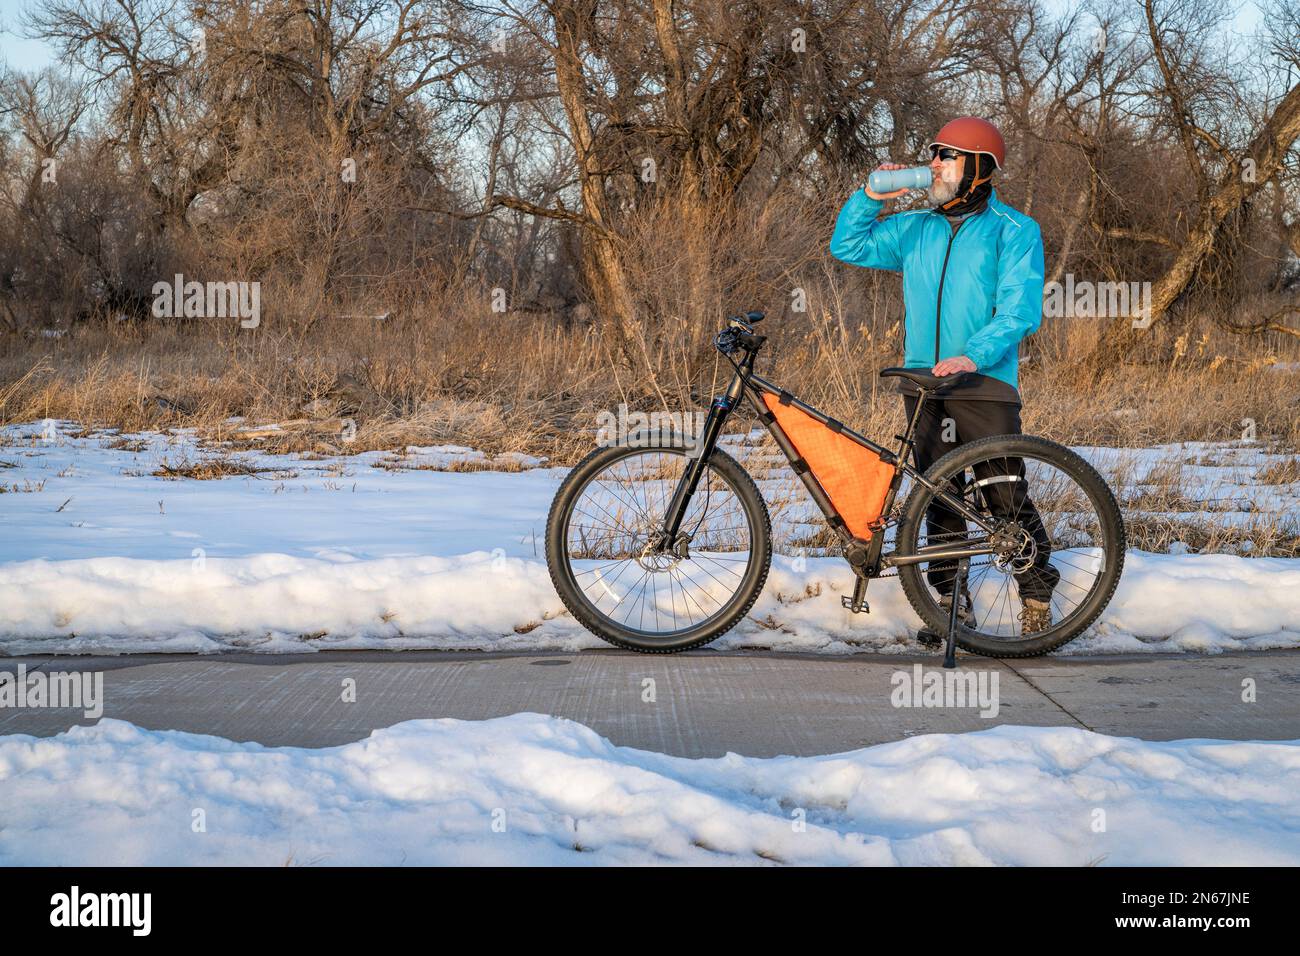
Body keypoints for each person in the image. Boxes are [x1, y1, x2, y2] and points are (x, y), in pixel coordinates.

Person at [828, 116, 1059, 635]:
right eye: (932, 153)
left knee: (1002, 489)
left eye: (946, 156)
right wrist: (870, 195)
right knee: (939, 494)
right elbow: (848, 245)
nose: (933, 163)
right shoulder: (915, 227)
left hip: (983, 381)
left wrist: (973, 355)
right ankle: (949, 601)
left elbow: (1019, 309)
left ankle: (1037, 592)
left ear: (978, 167)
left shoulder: (1015, 230)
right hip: (923, 380)